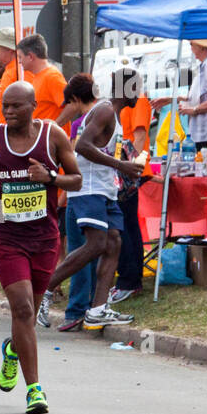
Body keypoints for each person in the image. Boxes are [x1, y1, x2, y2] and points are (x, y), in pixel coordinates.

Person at [0, 82, 82, 414]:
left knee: (28, 314)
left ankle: (13, 350)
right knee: (22, 310)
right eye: (6, 106)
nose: (9, 112)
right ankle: (34, 389)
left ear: (34, 105)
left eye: (17, 106)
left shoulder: (52, 136)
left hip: (44, 237)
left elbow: (75, 179)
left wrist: (49, 178)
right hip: (5, 233)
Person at [36, 74, 143, 332]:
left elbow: (99, 148)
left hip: (105, 189)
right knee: (96, 244)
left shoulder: (110, 114)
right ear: (124, 90)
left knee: (114, 242)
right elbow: (83, 146)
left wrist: (121, 164)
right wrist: (121, 165)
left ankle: (97, 309)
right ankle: (44, 290)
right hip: (89, 188)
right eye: (137, 89)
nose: (139, 95)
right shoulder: (105, 110)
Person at [112, 66, 154, 303]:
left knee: (126, 227)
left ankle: (129, 280)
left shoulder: (138, 102)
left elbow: (139, 136)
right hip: (123, 168)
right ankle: (128, 278)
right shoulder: (124, 104)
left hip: (129, 170)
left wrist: (130, 169)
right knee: (128, 225)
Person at [0, 30, 70, 126]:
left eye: (20, 57)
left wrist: (55, 125)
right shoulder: (37, 75)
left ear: (30, 57)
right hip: (34, 137)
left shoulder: (51, 76)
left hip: (47, 139)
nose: (19, 61)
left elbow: (72, 104)